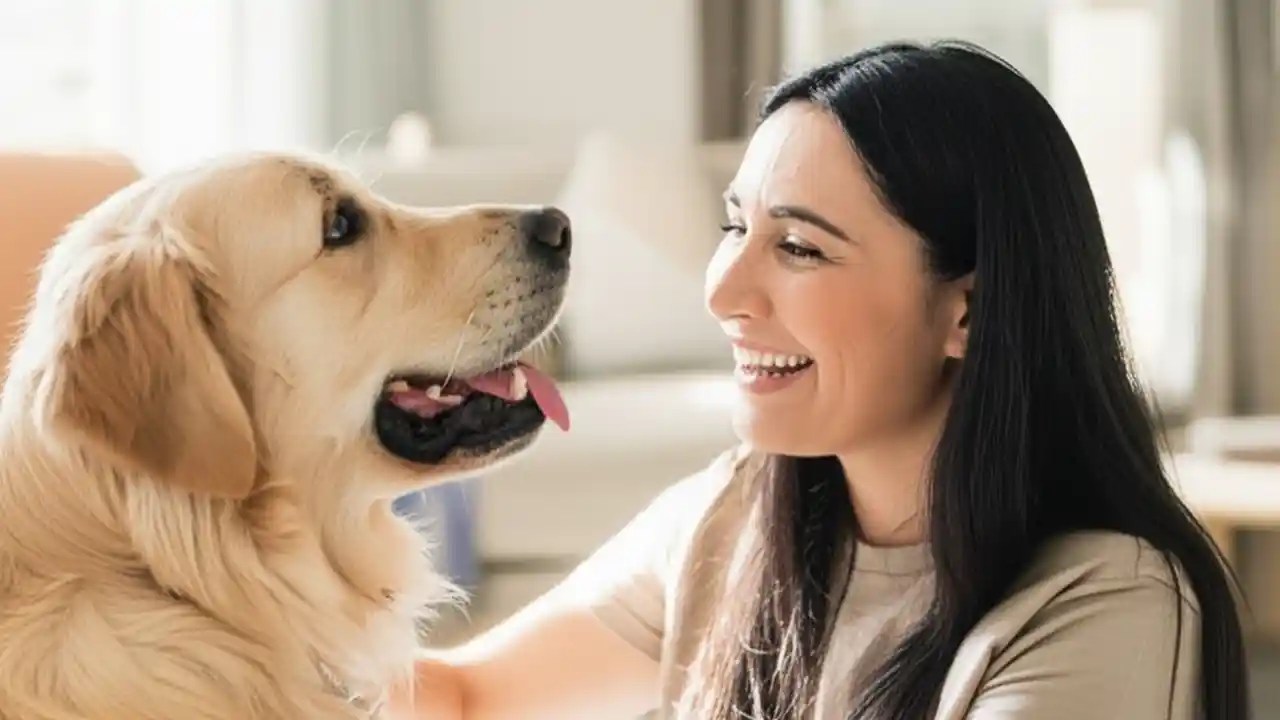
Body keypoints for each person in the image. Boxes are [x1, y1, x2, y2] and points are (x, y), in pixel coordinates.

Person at [388, 41, 1250, 719]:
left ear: (969, 312)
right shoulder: (733, 518)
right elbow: (463, 698)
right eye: (735, 227)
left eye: (799, 247)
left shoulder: (1105, 608)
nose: (722, 291)